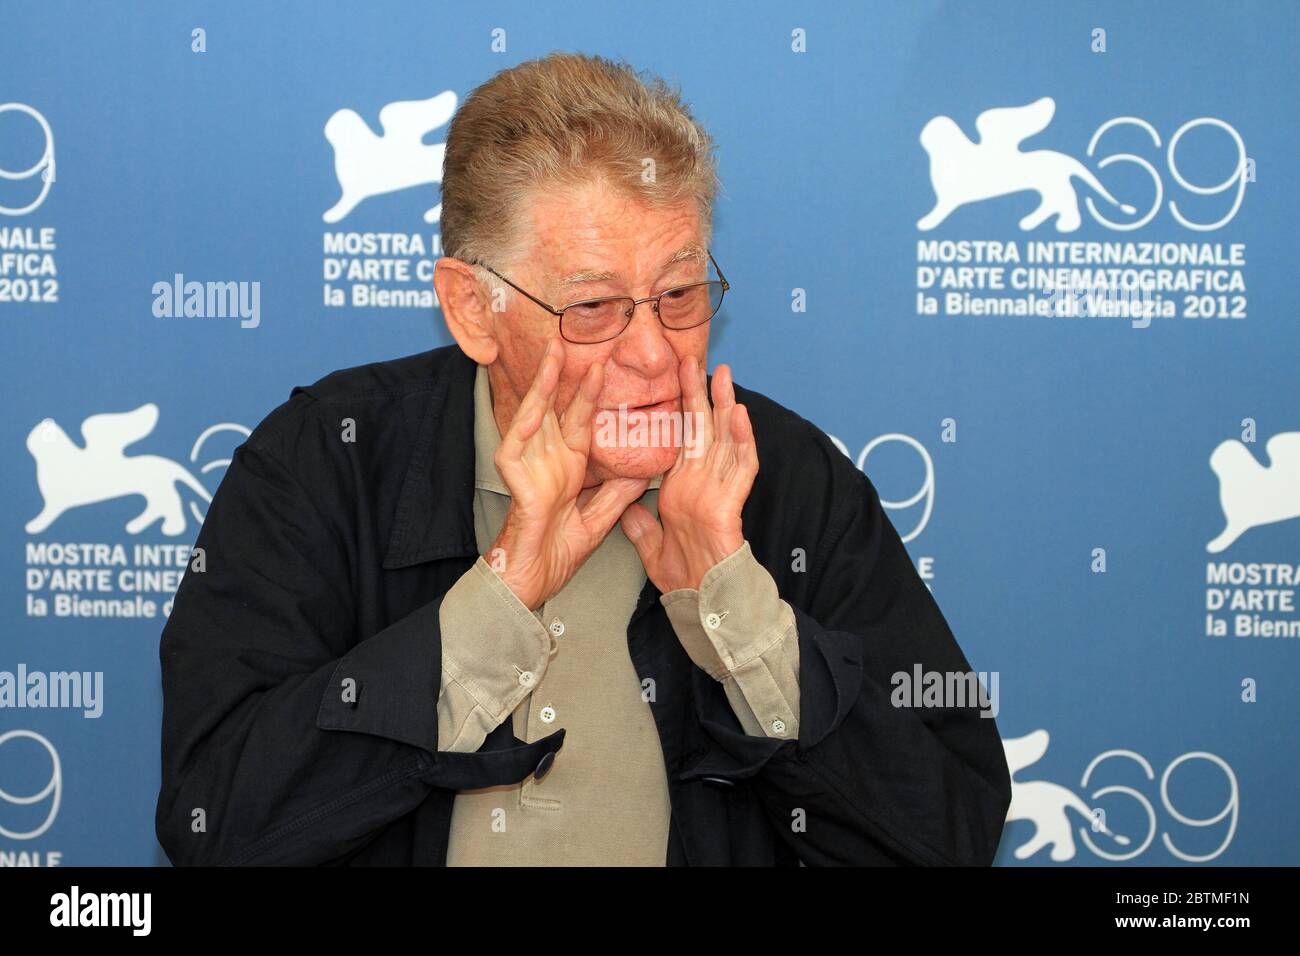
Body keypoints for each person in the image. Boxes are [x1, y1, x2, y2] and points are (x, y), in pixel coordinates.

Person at [156, 51, 1011, 866]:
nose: (651, 353)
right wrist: (494, 607)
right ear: (472, 309)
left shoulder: (787, 479)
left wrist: (736, 610)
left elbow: (950, 834)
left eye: (679, 295)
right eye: (594, 306)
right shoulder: (325, 459)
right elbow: (215, 825)